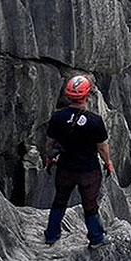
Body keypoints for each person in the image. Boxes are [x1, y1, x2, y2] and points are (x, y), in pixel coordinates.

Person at [42, 74, 114, 247]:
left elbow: (49, 143)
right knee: (90, 204)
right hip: (88, 170)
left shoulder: (57, 117)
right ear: (87, 96)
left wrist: (49, 157)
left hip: (66, 167)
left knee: (59, 200)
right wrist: (108, 162)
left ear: (68, 96)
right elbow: (102, 147)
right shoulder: (95, 121)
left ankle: (52, 234)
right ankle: (96, 238)